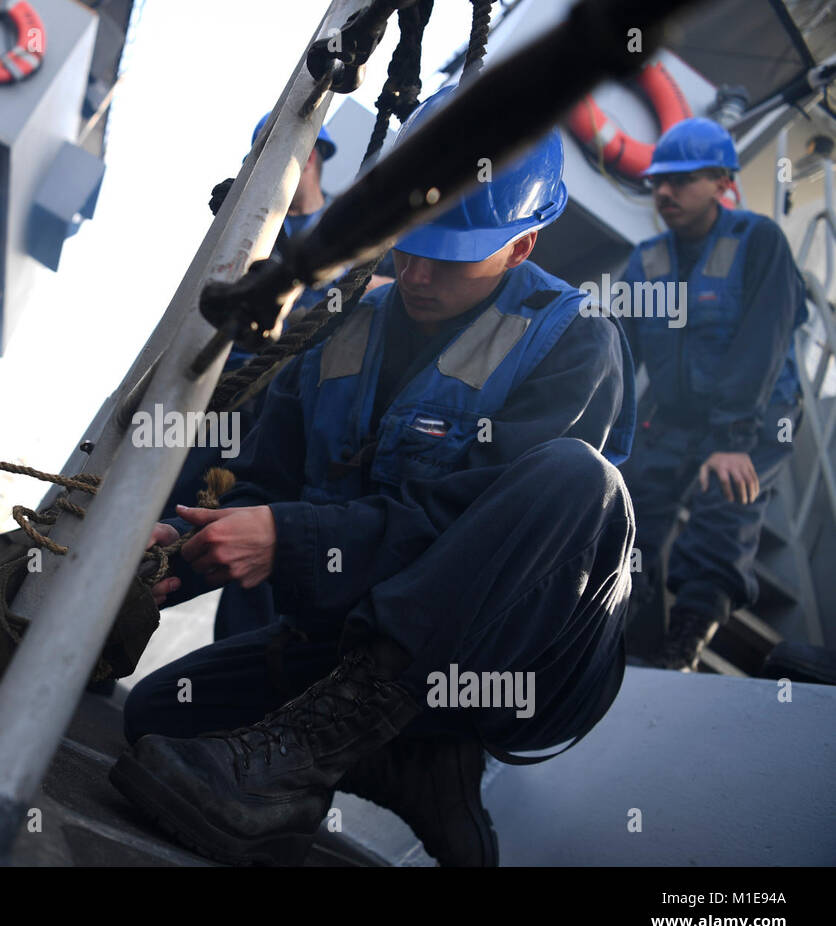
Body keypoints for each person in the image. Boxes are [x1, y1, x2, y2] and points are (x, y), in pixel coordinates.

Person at [111, 88, 637, 867]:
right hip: (353, 643)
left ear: (521, 248)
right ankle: (414, 766)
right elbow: (268, 483)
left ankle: (313, 749)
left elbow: (466, 526)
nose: (418, 273)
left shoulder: (575, 342)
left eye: (448, 257)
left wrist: (293, 536)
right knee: (158, 717)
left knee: (575, 475)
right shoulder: (341, 324)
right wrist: (186, 552)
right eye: (407, 241)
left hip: (515, 666)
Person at [164, 113, 389, 643]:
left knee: (260, 536)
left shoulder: (349, 243)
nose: (249, 169)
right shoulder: (245, 233)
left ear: (306, 158)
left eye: (262, 156)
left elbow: (379, 303)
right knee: (170, 514)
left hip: (284, 413)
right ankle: (101, 640)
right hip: (212, 408)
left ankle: (234, 680)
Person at [617, 118, 807, 671]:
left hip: (754, 417)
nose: (664, 192)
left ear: (723, 182)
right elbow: (621, 353)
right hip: (673, 416)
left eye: (681, 180)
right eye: (657, 182)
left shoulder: (758, 241)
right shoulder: (646, 259)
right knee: (633, 510)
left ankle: (686, 643)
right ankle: (617, 628)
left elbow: (762, 343)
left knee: (724, 510)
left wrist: (732, 439)